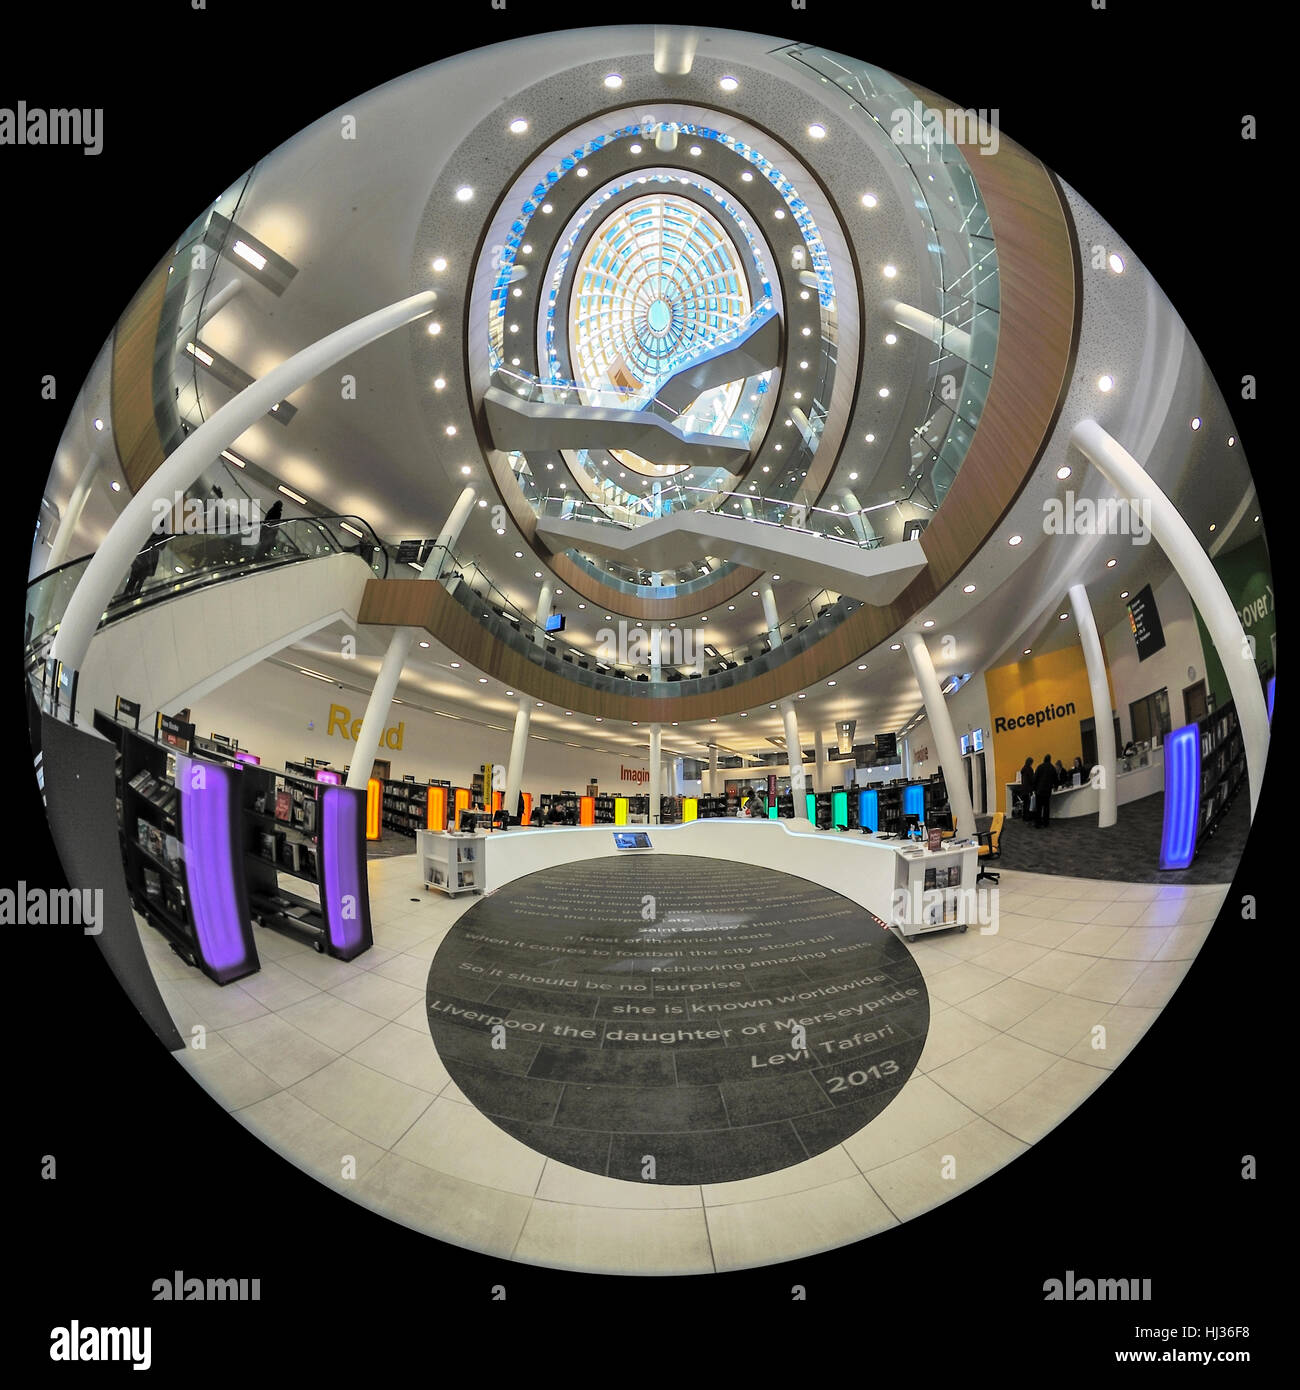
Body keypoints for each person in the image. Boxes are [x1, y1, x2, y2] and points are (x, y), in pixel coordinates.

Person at [1033, 754, 1058, 828]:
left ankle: (1038, 823)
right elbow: (1055, 779)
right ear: (1050, 759)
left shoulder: (1040, 767)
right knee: (1046, 807)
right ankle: (1045, 823)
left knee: (1038, 808)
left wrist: (1034, 789)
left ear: (1044, 759)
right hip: (1047, 791)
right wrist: (1056, 786)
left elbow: (1035, 778)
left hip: (1039, 791)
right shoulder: (1052, 768)